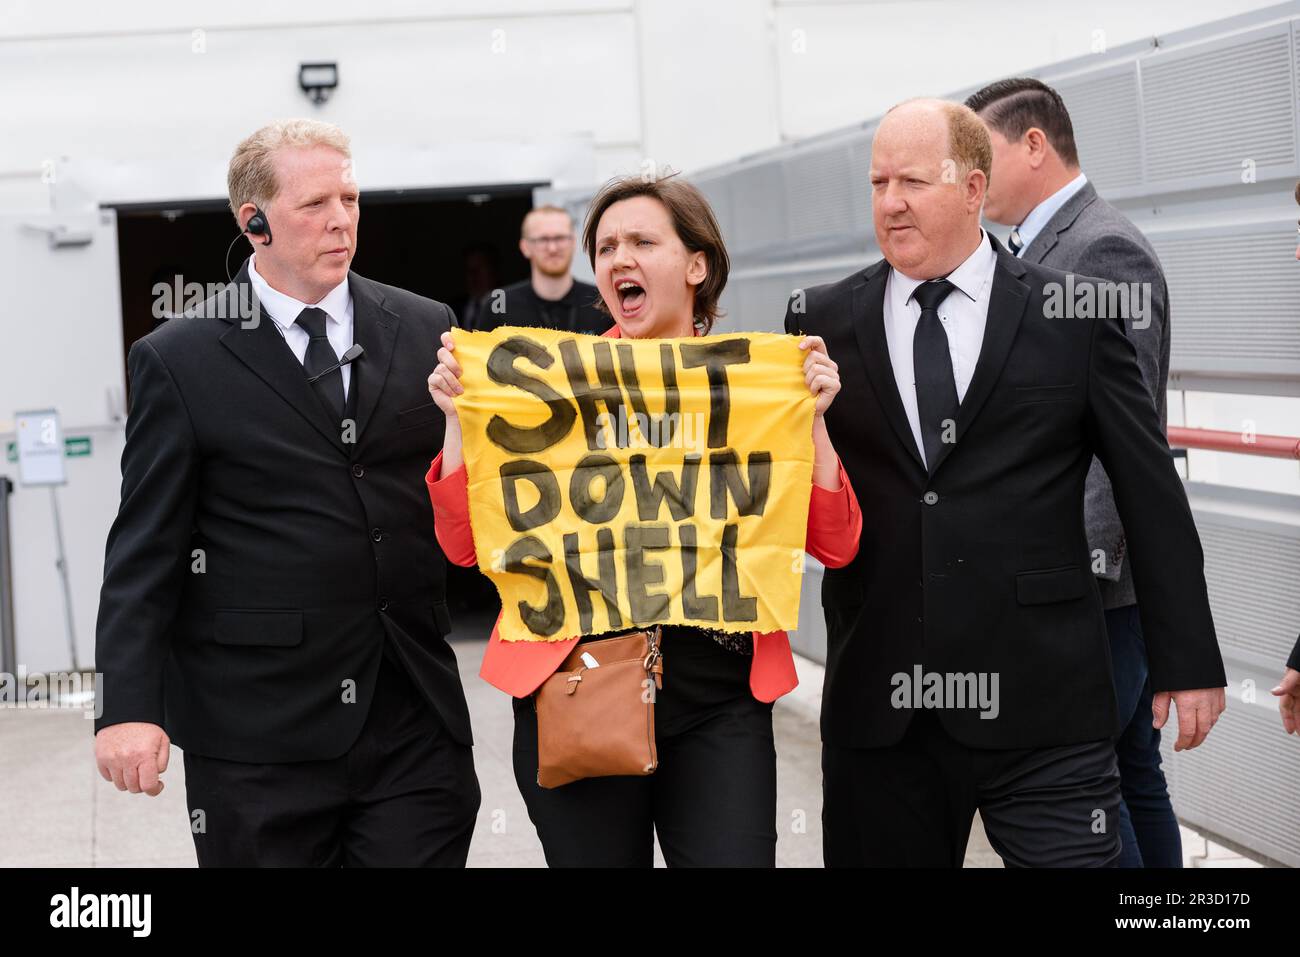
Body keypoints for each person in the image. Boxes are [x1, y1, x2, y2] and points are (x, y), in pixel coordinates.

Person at [786, 99, 1226, 868]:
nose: (891, 201)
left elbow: (1148, 486)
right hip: (882, 709)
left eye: (914, 181)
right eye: (879, 182)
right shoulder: (823, 323)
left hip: (1044, 704)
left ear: (973, 188)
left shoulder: (1071, 315)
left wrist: (1187, 657)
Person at [427, 172, 862, 866]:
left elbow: (836, 546)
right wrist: (459, 425)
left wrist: (811, 426)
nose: (617, 258)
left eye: (641, 241)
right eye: (604, 247)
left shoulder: (757, 386)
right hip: (578, 683)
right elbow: (461, 548)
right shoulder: (549, 386)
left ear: (697, 265)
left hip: (719, 698)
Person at [93, 118, 480, 867]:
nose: (341, 220)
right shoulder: (179, 359)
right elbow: (144, 552)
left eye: (350, 198)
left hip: (413, 720)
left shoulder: (428, 329)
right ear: (255, 223)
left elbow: (481, 490)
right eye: (315, 205)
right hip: (254, 742)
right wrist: (128, 707)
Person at [966, 76, 1179, 868]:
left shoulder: (1102, 248)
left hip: (1097, 585)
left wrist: (1078, 567)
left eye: (976, 156)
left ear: (1034, 145)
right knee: (1130, 772)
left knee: (1097, 785)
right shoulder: (1035, 251)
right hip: (1091, 585)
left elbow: (1123, 439)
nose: (967, 179)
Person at [473, 205, 611, 336]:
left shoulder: (602, 300)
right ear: (525, 247)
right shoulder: (499, 303)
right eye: (543, 239)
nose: (552, 248)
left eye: (560, 238)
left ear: (573, 242)